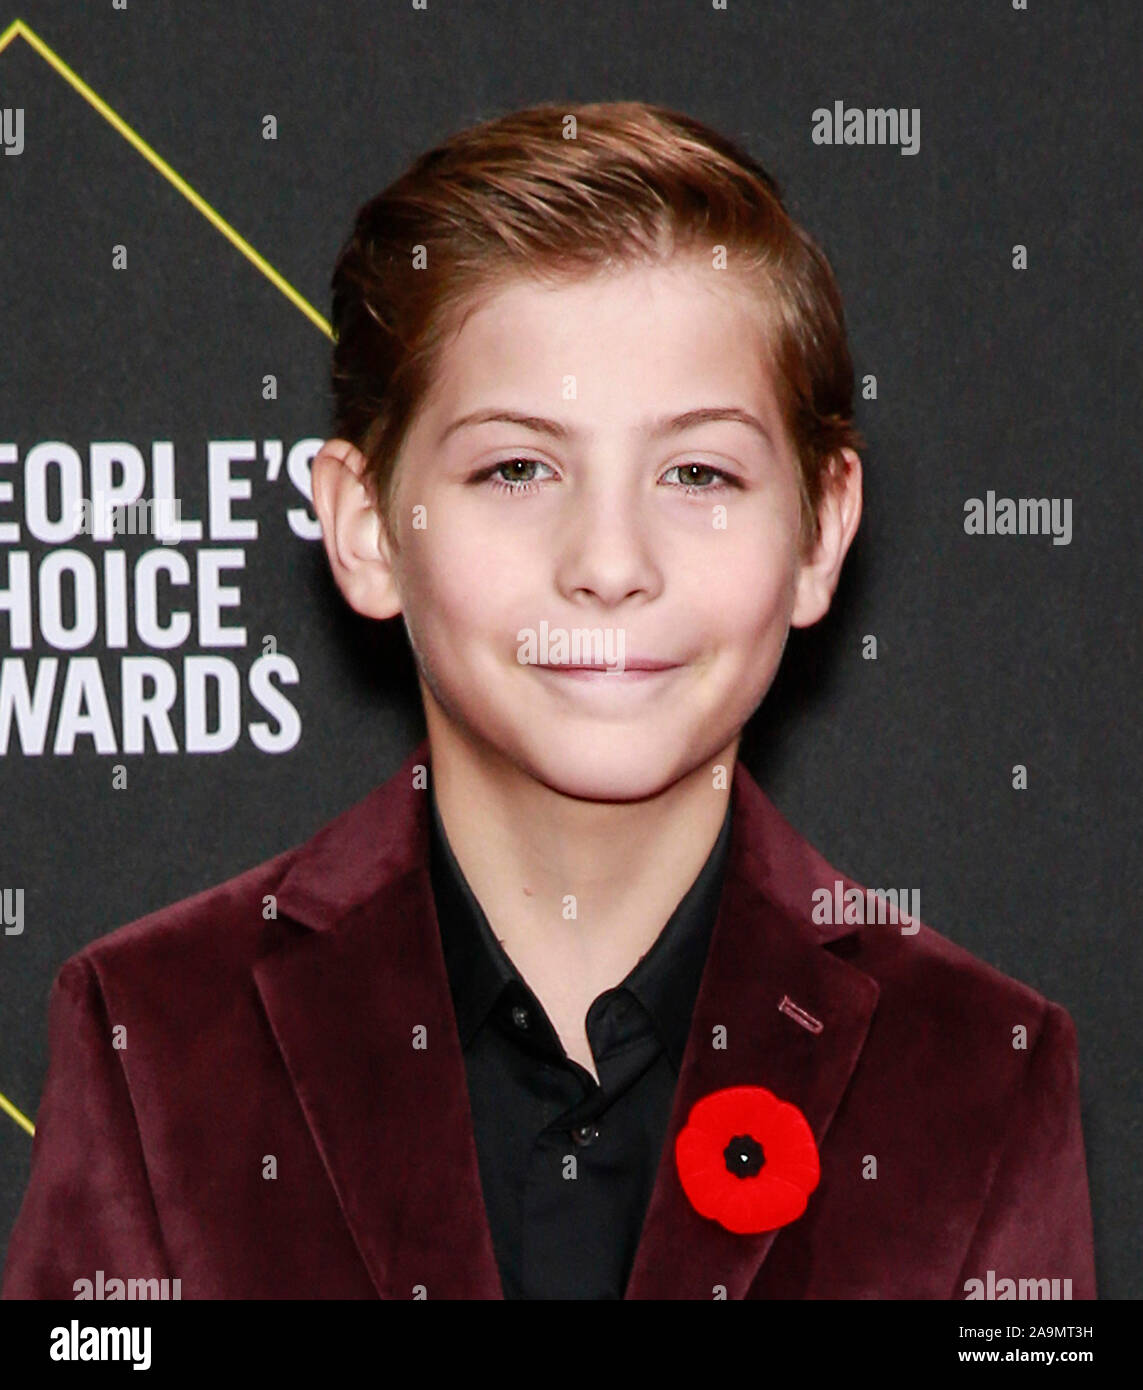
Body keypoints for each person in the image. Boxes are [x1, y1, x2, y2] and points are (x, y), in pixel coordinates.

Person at [2, 100, 1095, 1300]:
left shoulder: (977, 1068)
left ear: (821, 530)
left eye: (698, 471)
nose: (611, 559)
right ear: (366, 525)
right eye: (518, 467)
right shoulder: (154, 1032)